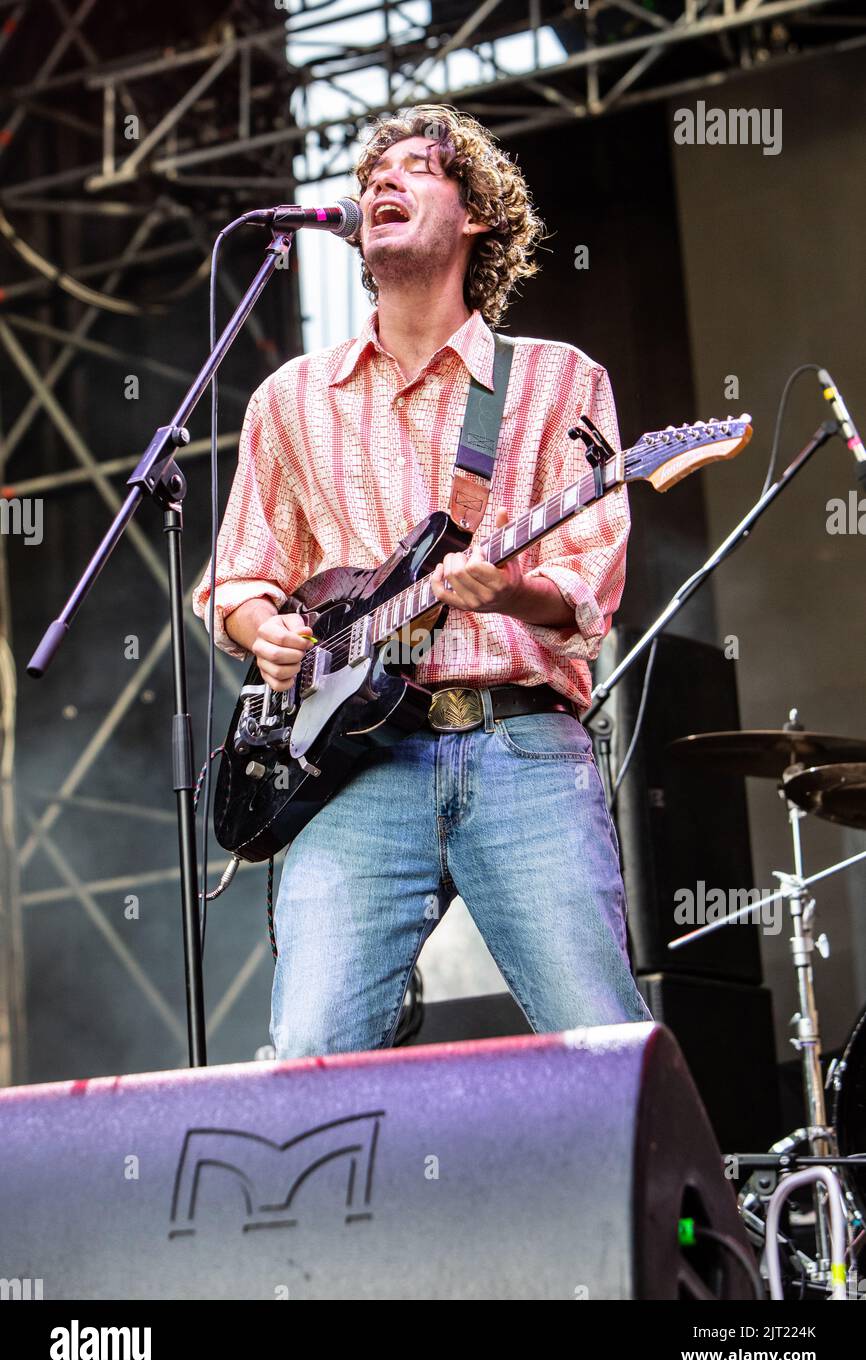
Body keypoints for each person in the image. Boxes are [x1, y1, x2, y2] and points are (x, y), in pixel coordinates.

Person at [193, 103, 652, 1058]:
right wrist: (260, 630)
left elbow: (588, 590)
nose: (381, 185)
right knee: (310, 1063)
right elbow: (234, 581)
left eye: (414, 169)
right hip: (353, 775)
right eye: (370, 178)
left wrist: (507, 591)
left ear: (478, 211)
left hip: (519, 751)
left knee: (605, 1046)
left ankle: (658, 1211)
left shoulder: (558, 382)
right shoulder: (291, 399)